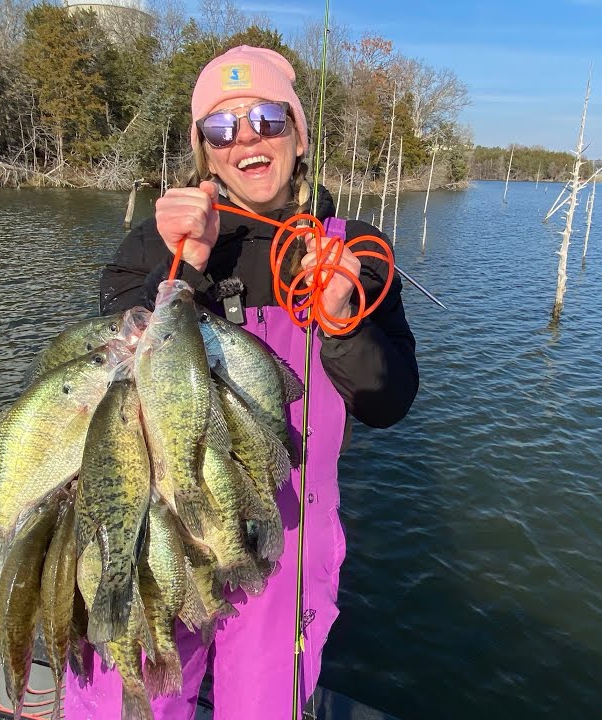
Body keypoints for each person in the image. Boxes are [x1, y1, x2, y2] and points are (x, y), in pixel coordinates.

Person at [66, 45, 418, 719]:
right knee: (126, 702)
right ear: (204, 150)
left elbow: (389, 401)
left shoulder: (354, 252)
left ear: (299, 132)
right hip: (158, 523)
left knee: (265, 704)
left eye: (265, 117)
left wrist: (342, 320)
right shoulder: (152, 246)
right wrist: (180, 276)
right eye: (221, 128)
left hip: (285, 541)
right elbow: (112, 381)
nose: (246, 139)